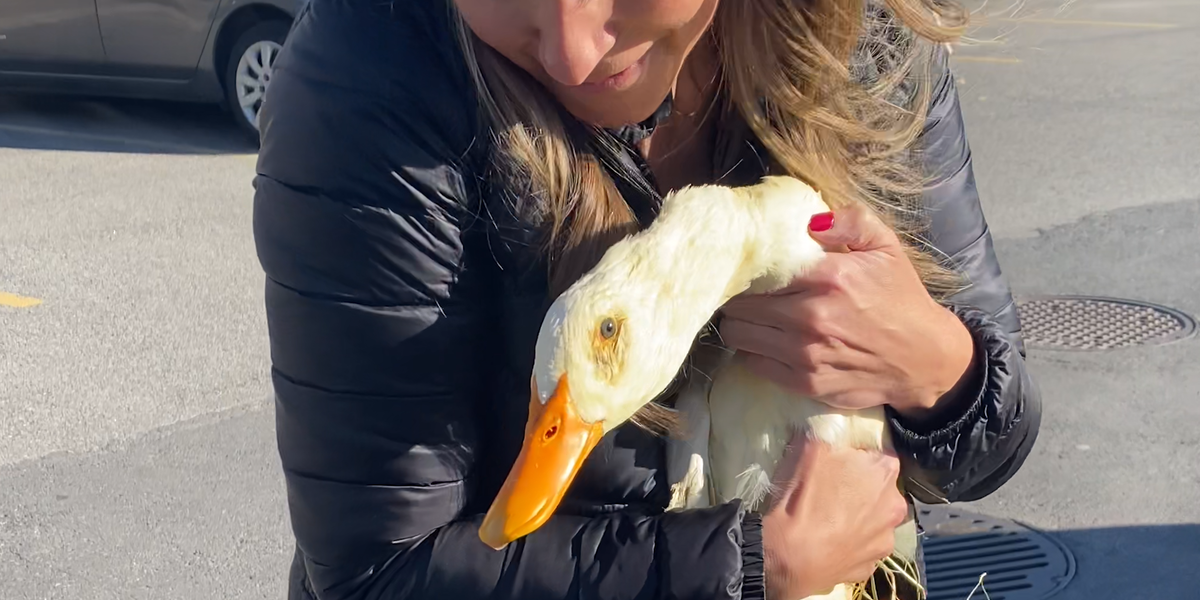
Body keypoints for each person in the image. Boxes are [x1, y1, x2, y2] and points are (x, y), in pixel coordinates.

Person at [251, 0, 1042, 598]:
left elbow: (993, 448)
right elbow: (374, 574)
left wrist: (938, 368)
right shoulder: (368, 83)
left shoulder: (864, 34)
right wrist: (749, 568)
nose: (569, 51)